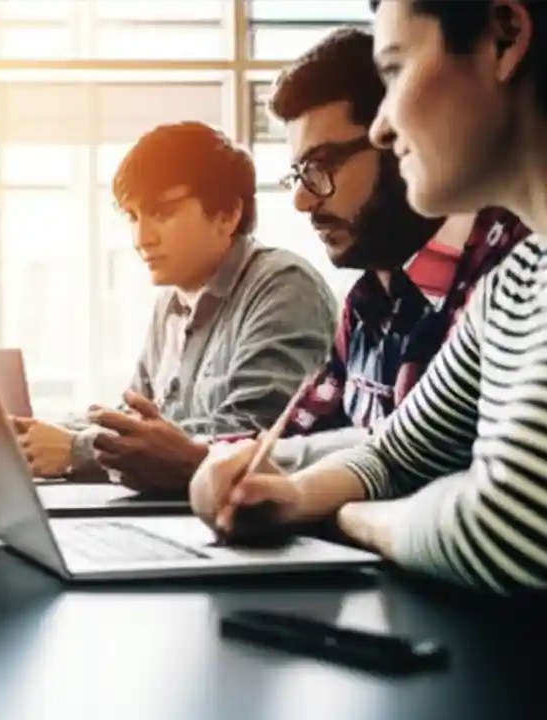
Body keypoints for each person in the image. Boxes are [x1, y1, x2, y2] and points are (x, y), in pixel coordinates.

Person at [191, 0, 547, 595]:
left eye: (396, 69)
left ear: (505, 38)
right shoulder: (516, 283)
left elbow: (504, 530)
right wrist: (287, 496)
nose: (384, 127)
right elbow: (394, 454)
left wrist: (344, 516)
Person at [16, 121, 338, 493]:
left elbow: (251, 437)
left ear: (227, 215)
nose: (141, 239)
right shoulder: (170, 302)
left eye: (161, 213)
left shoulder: (284, 288)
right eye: (133, 217)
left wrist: (78, 449)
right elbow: (136, 420)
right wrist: (35, 434)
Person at [263, 27, 530, 470]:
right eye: (299, 173)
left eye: (322, 165)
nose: (302, 200)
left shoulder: (509, 271)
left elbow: (444, 469)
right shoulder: (368, 299)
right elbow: (296, 439)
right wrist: (205, 459)